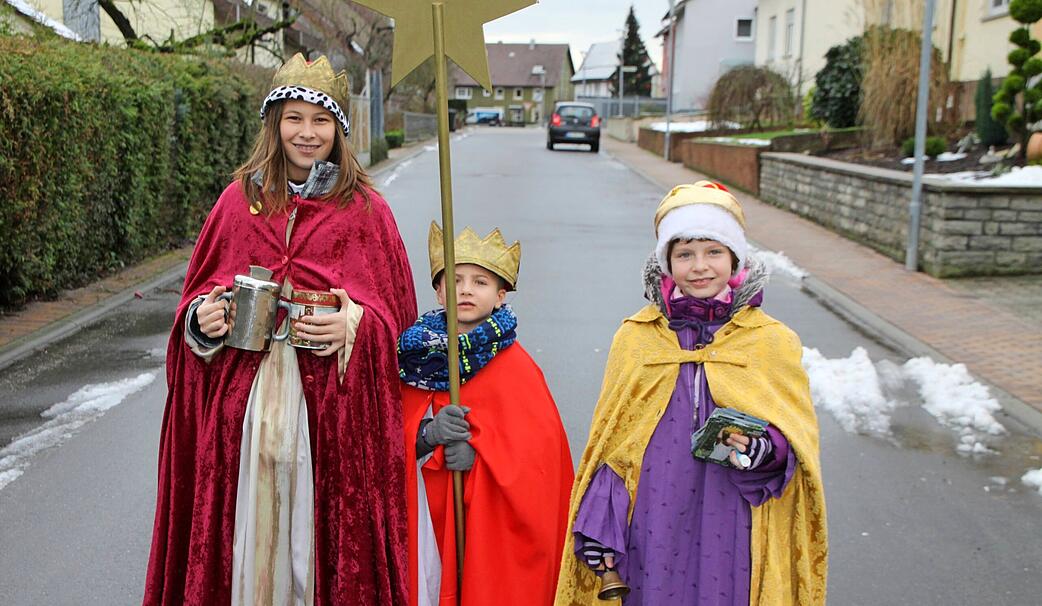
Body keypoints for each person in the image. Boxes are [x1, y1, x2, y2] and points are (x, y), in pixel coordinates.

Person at [143, 54, 417, 606]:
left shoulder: (366, 211)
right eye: (294, 118)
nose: (307, 133)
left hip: (332, 422)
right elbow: (196, 298)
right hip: (242, 420)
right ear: (275, 123)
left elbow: (398, 320)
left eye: (321, 121)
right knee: (244, 542)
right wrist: (202, 321)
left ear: (339, 129)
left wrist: (356, 325)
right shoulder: (237, 201)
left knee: (316, 549)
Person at [554, 181, 827, 606]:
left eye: (713, 251)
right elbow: (613, 441)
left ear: (734, 257)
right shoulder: (637, 337)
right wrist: (600, 522)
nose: (700, 266)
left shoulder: (770, 341)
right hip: (653, 511)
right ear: (666, 263)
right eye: (684, 254)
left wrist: (765, 449)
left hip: (734, 512)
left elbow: (796, 437)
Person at [398, 223, 574, 606]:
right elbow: (380, 435)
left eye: (480, 282)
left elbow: (541, 466)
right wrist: (425, 437)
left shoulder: (517, 368)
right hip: (424, 529)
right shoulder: (412, 360)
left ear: (499, 296)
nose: (465, 290)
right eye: (455, 280)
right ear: (439, 292)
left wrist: (480, 461)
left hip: (484, 539)